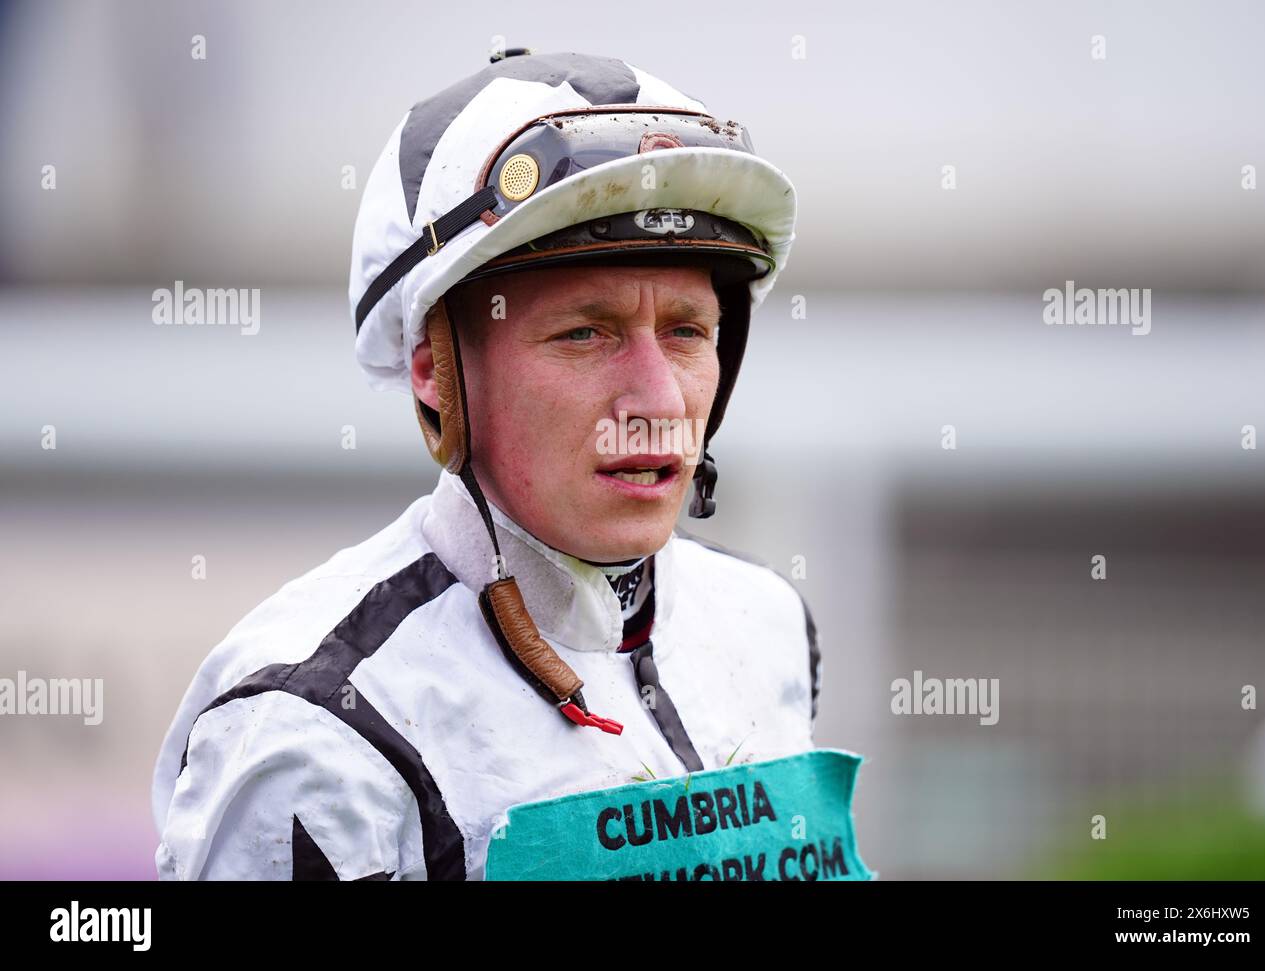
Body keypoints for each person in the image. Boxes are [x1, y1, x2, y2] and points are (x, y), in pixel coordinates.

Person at [151, 49, 819, 880]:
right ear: (436, 368)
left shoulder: (767, 622)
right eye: (586, 332)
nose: (657, 398)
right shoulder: (312, 728)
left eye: (685, 330)